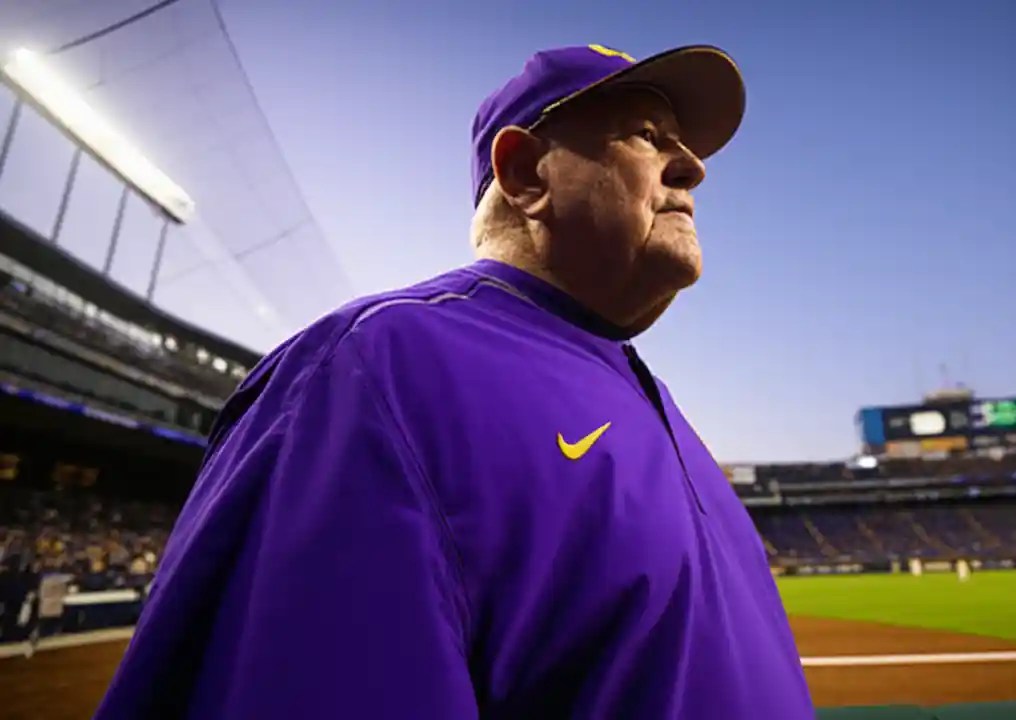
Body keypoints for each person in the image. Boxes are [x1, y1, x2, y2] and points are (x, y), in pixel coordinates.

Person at [95, 44, 813, 719]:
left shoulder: (658, 408)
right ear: (527, 174)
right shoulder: (376, 368)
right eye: (649, 135)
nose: (694, 168)